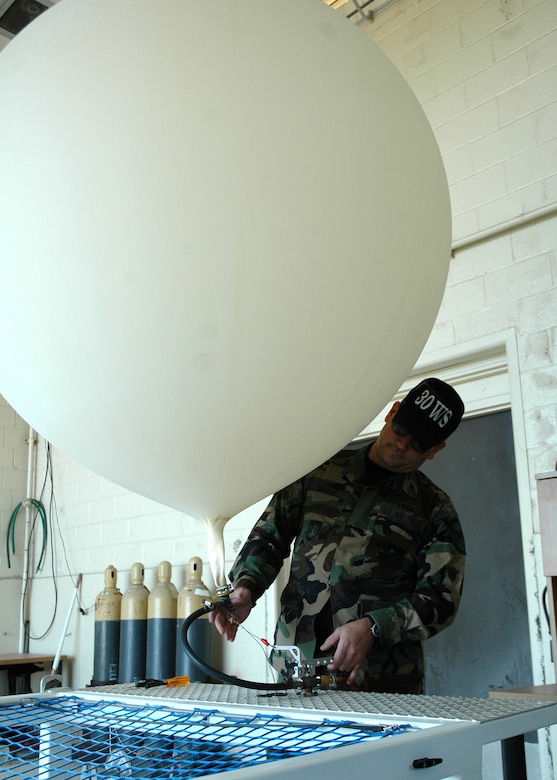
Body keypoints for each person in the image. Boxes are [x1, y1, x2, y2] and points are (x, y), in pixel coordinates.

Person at [209, 378, 466, 694]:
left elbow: (441, 599)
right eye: (400, 430)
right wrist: (246, 587)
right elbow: (269, 536)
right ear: (392, 412)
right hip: (295, 665)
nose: (401, 445)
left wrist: (374, 628)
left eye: (417, 444)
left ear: (436, 450)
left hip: (379, 681)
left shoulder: (434, 508)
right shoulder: (318, 470)